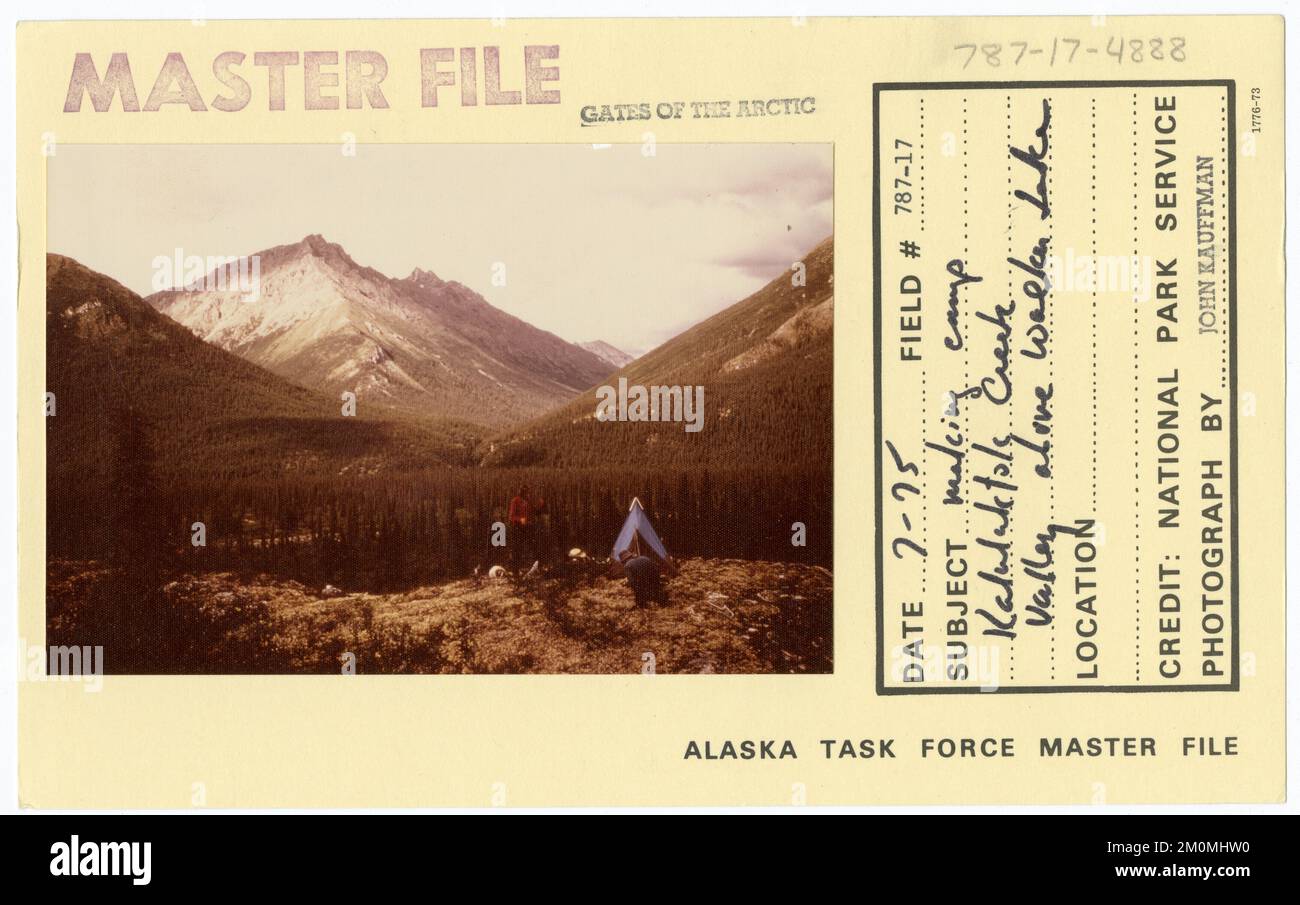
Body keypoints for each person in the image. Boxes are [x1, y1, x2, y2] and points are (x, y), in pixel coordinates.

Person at [508, 484, 535, 570]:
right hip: (517, 528)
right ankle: (515, 570)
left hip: (527, 528)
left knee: (530, 547)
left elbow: (532, 513)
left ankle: (528, 567)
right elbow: (511, 517)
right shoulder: (515, 501)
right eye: (525, 492)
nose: (527, 494)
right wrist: (520, 520)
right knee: (517, 549)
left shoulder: (528, 501)